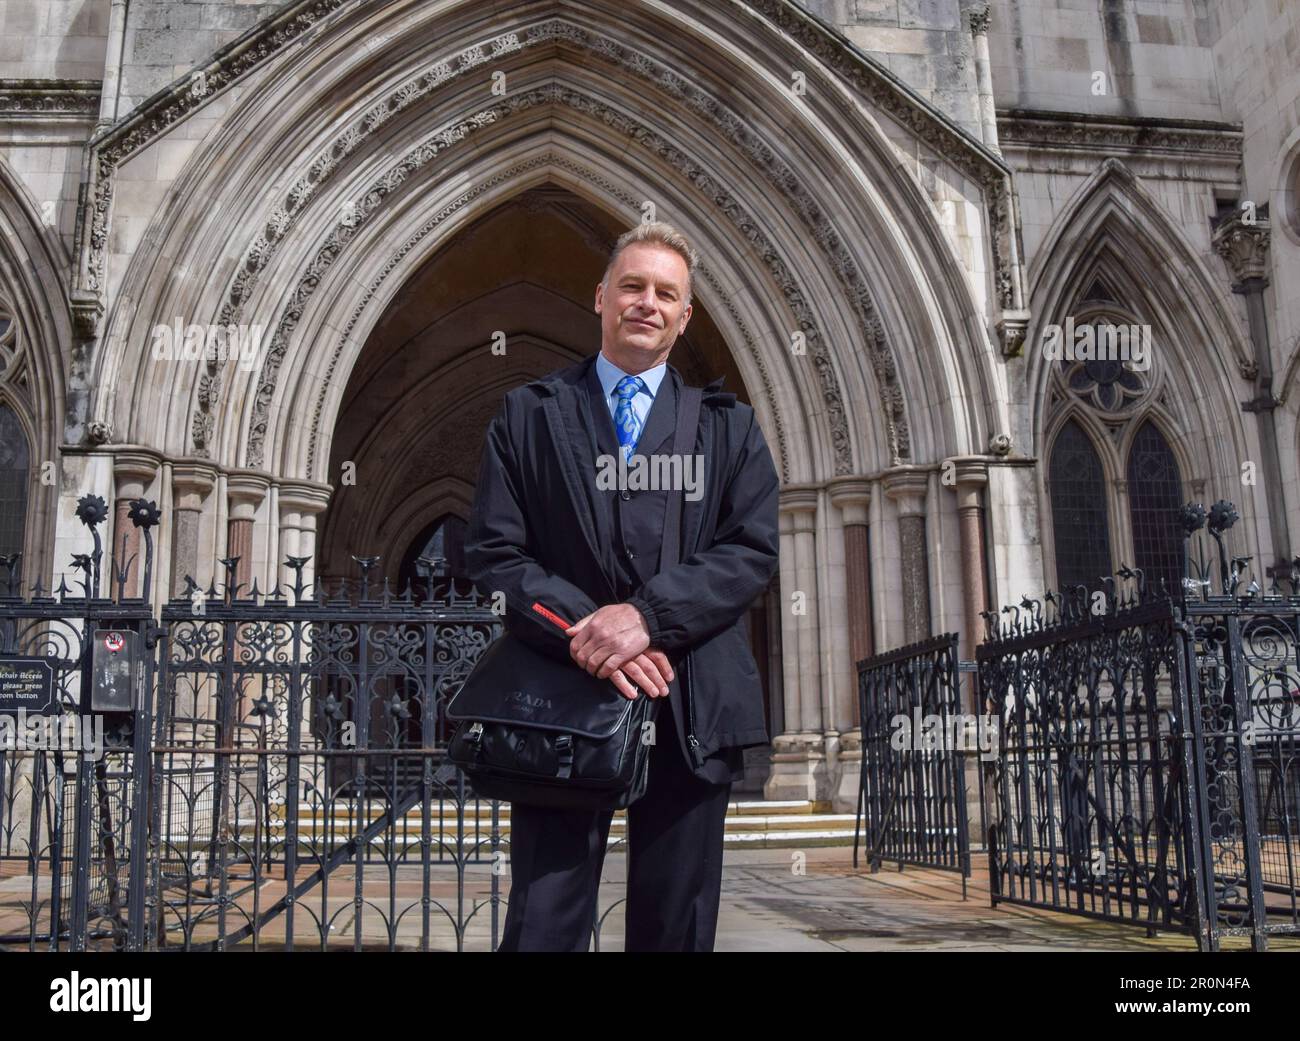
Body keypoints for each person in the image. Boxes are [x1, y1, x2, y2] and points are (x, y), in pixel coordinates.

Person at [464, 220, 780, 951]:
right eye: (632, 286)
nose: (647, 302)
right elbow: (494, 553)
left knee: (676, 925)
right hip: (562, 703)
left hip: (691, 697)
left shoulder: (731, 430)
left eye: (665, 293)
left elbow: (751, 551)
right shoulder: (530, 415)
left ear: (685, 314)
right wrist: (593, 633)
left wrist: (647, 618)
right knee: (545, 920)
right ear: (601, 296)